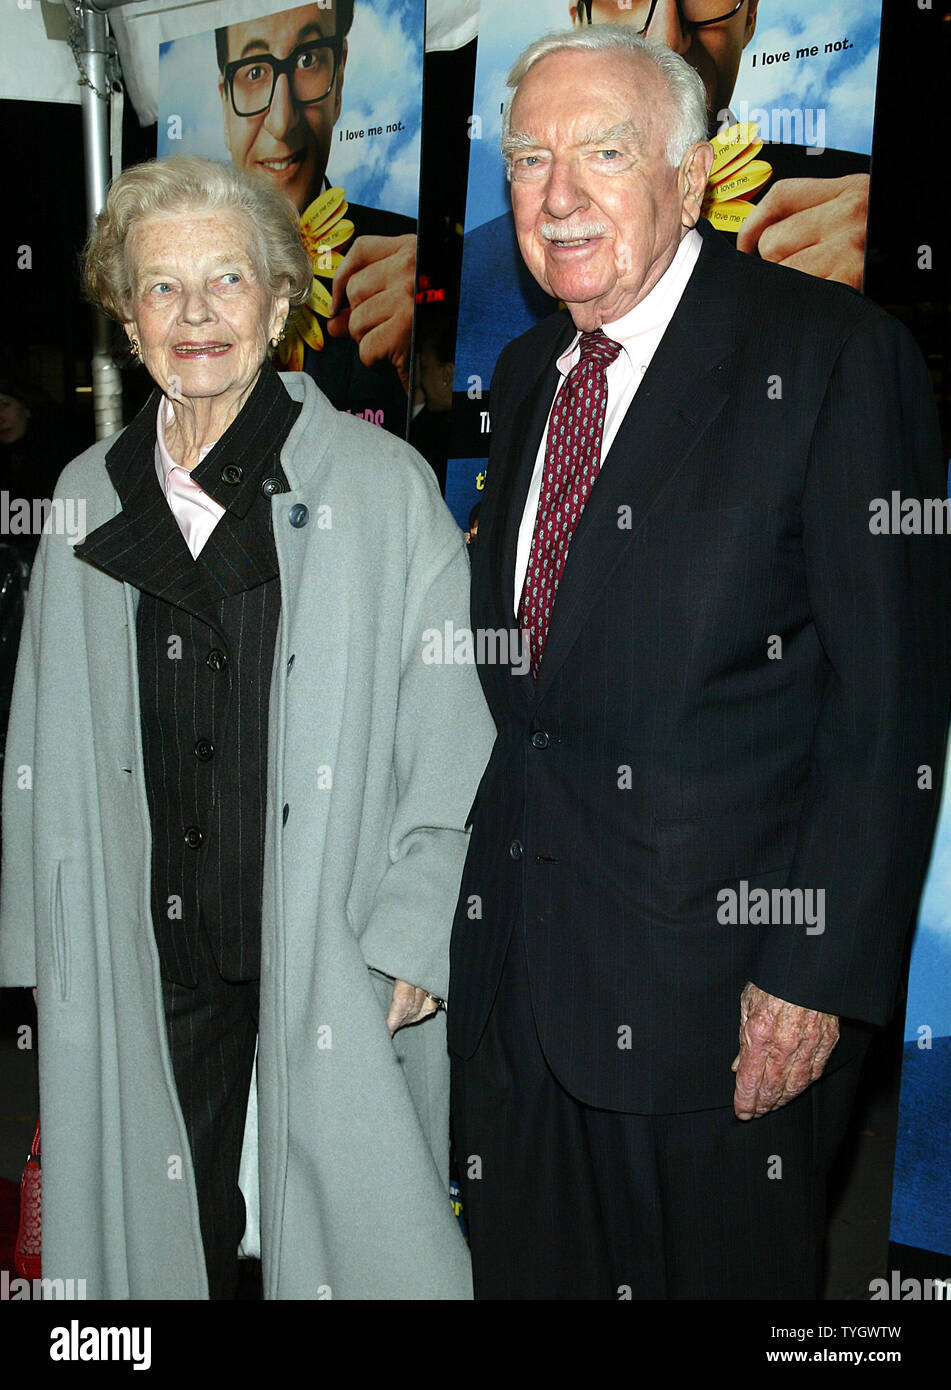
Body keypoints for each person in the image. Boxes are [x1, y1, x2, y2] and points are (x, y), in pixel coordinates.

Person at [448, 28, 950, 1300]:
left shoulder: (832, 356)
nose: (556, 196)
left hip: (725, 1013)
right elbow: (531, 695)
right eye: (529, 158)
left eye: (603, 154)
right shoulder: (523, 377)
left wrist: (812, 972)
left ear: (694, 176)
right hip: (524, 990)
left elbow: (891, 710)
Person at [0, 154, 495, 1299]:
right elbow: (42, 743)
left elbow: (456, 726)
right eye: (161, 288)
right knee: (165, 1238)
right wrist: (48, 947)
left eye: (228, 279)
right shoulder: (84, 493)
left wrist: (416, 932)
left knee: (355, 1234)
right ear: (127, 320)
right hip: (149, 949)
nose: (197, 315)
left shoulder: (381, 487)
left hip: (329, 936)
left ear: (280, 304)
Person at [215, 1, 417, 434]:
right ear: (224, 102)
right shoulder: (184, 286)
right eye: (254, 71)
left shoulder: (407, 261)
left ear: (339, 78)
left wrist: (422, 374)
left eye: (308, 60)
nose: (282, 120)